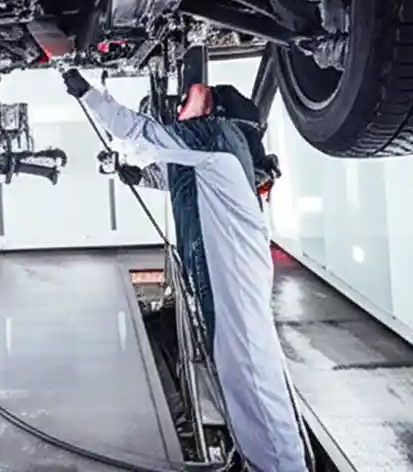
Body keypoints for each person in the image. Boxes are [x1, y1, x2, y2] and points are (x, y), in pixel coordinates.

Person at [61, 69, 306, 472]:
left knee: (251, 378)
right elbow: (181, 173)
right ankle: (259, 459)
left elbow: (143, 135)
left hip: (233, 284)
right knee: (239, 377)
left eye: (191, 99)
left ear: (213, 109)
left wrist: (87, 94)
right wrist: (142, 177)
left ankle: (281, 466)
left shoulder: (214, 139)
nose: (178, 106)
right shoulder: (219, 151)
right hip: (229, 277)